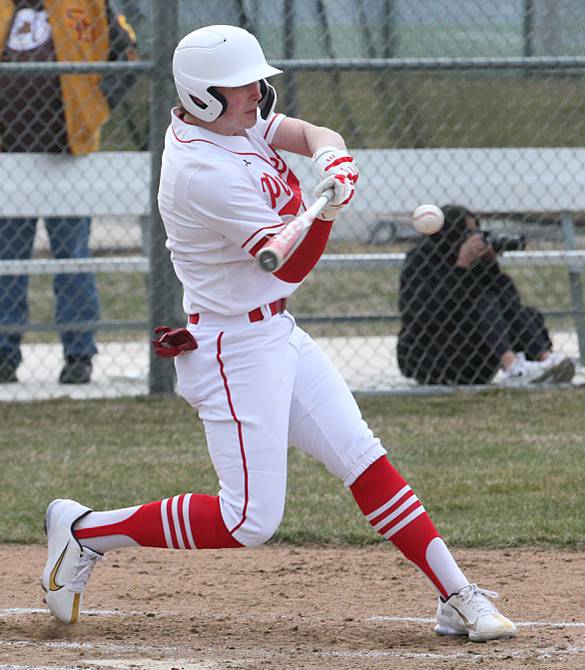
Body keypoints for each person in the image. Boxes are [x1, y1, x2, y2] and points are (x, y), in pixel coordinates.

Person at [39, 25, 517, 643]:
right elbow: (286, 265)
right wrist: (329, 211)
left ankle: (456, 595)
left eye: (256, 83)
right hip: (231, 349)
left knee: (362, 455)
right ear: (203, 94)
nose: (257, 95)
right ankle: (85, 532)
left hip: (275, 332)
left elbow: (310, 133)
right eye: (242, 86)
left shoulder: (234, 122)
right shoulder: (201, 169)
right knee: (247, 521)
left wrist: (330, 158)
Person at [0, 0, 137, 384]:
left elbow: (128, 54)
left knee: (72, 258)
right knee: (7, 261)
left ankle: (79, 354)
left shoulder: (88, 4)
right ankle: (4, 354)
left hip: (68, 156)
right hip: (9, 159)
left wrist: (97, 103)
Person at [397, 205, 575, 386]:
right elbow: (427, 315)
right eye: (469, 234)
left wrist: (490, 264)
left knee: (526, 312)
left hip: (476, 358)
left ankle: (545, 360)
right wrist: (461, 267)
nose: (474, 239)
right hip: (431, 355)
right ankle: (513, 367)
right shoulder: (420, 260)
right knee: (485, 301)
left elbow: (509, 301)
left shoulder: (476, 261)